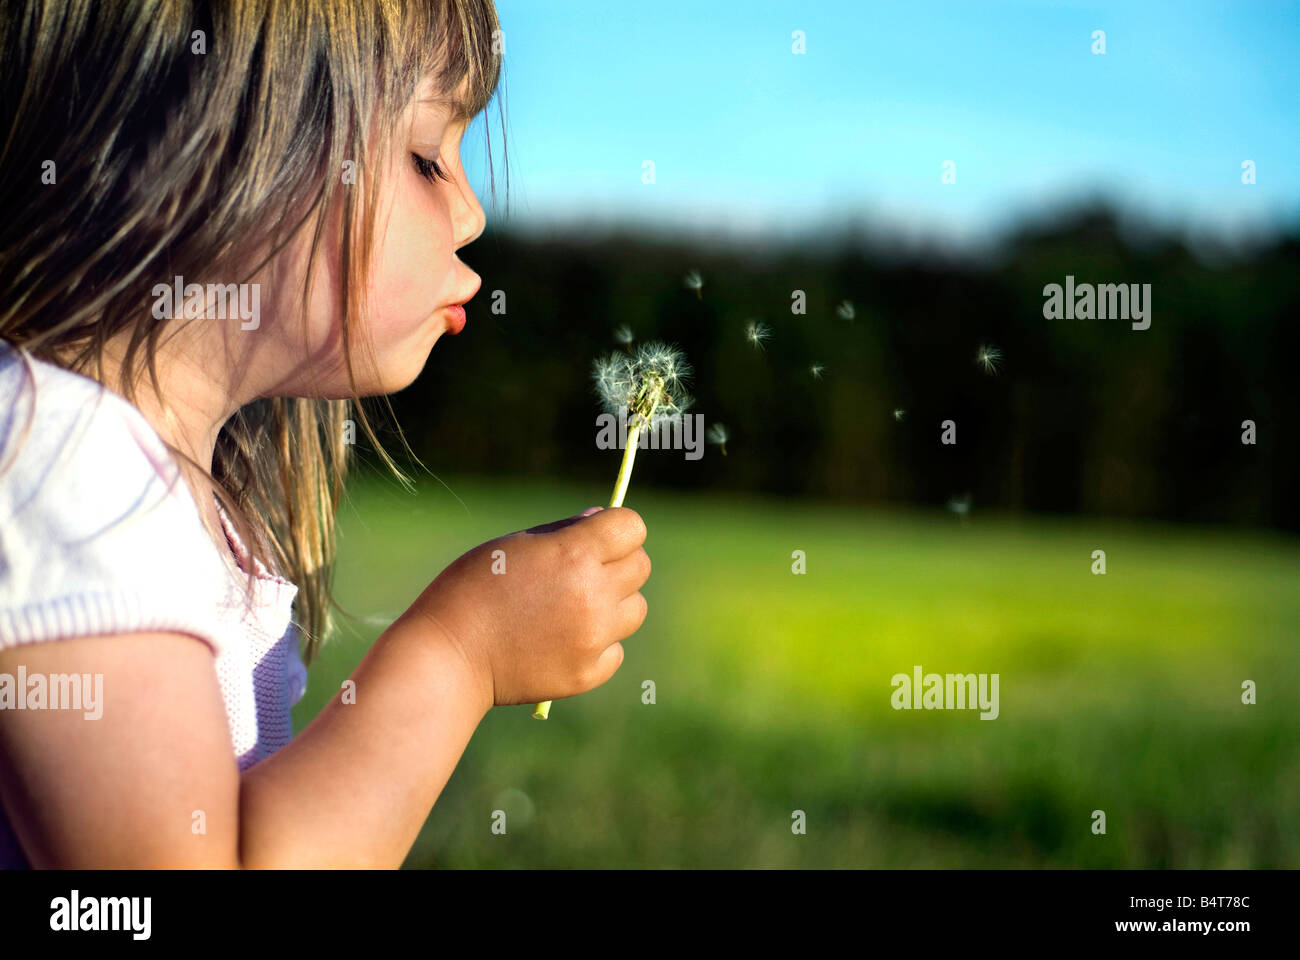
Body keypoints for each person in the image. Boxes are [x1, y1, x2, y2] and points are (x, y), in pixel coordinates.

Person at [0, 0, 650, 868]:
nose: (471, 215)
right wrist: (460, 656)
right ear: (208, 147)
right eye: (425, 158)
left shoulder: (124, 474)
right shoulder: (63, 467)